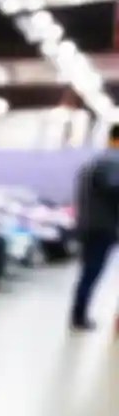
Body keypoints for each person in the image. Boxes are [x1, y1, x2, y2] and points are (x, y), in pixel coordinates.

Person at [69, 123, 119, 331]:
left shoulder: (95, 161)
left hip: (89, 224)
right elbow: (115, 189)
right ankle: (79, 317)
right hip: (102, 226)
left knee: (88, 271)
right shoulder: (112, 161)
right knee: (92, 271)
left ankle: (78, 314)